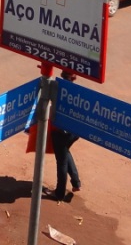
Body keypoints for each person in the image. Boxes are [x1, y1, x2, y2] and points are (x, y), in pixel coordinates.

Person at [51, 70, 82, 201]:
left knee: (62, 162)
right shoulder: (77, 91)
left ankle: (59, 193)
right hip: (74, 132)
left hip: (61, 132)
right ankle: (76, 183)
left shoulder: (58, 87)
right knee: (65, 152)